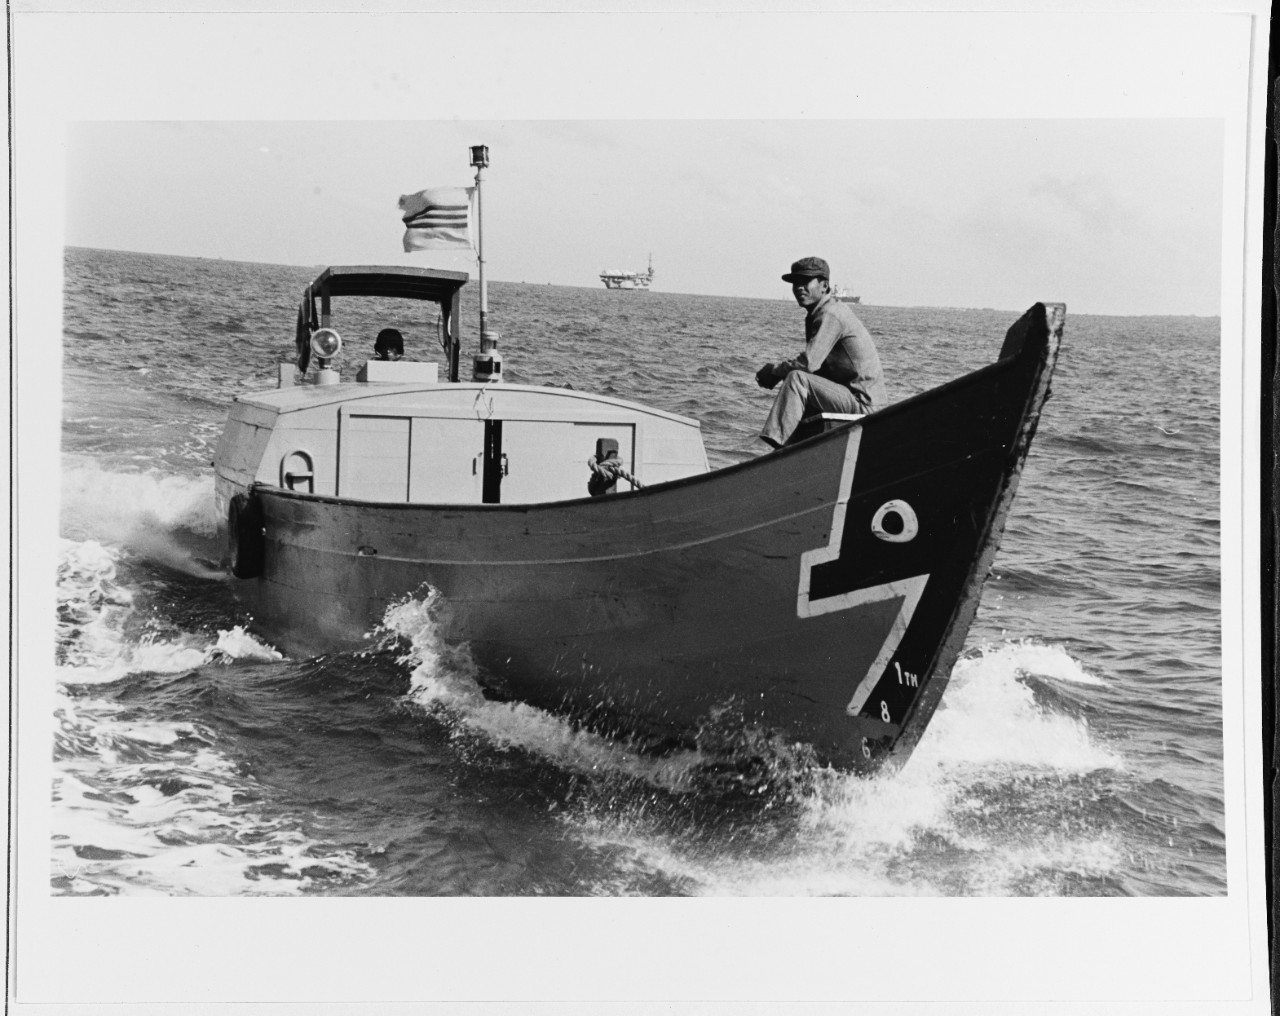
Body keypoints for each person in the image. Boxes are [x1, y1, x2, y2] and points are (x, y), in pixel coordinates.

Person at [756, 257, 887, 449]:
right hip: (853, 398)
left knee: (797, 380)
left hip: (864, 404)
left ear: (824, 286)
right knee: (800, 384)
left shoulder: (830, 314)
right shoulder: (819, 313)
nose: (799, 288)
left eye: (805, 282)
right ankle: (796, 451)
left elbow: (808, 364)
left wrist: (775, 371)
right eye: (795, 283)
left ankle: (779, 453)